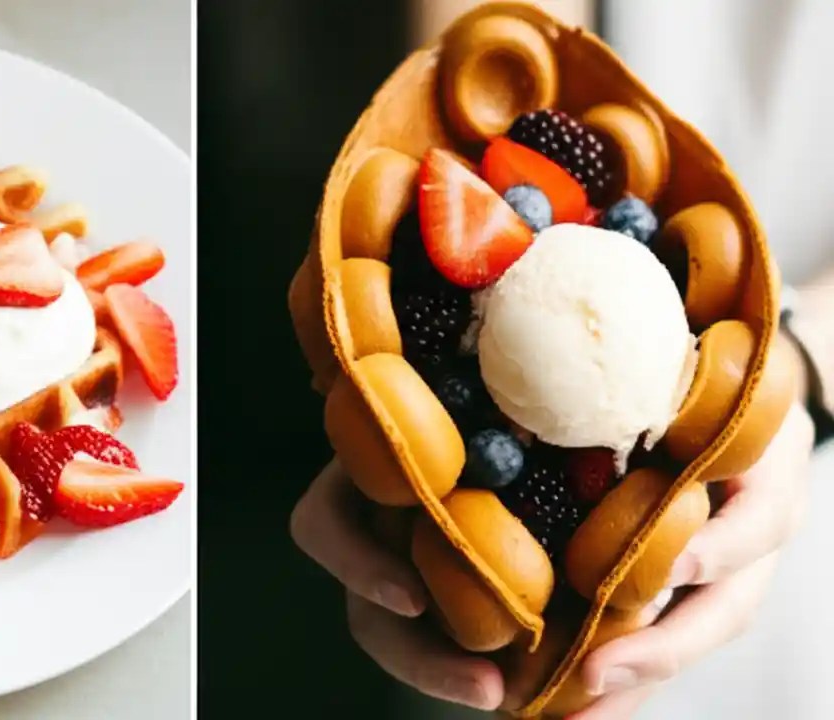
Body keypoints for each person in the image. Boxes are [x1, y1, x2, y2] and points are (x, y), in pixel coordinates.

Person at [291, 0, 832, 717]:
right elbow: (477, 79)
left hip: (789, 485)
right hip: (481, 596)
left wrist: (794, 363)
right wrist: (384, 453)